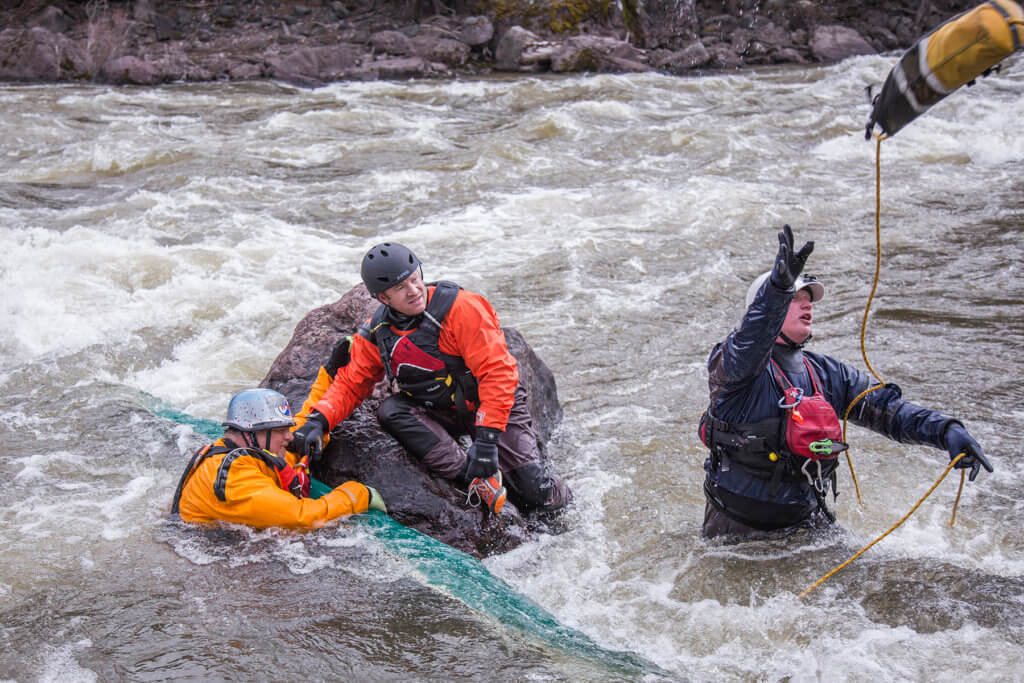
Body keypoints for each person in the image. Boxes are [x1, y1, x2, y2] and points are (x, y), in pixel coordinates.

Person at [698, 225, 993, 539]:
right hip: (737, 534)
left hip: (807, 525)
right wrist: (777, 291)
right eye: (797, 297)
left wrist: (945, 430)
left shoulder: (825, 373)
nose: (807, 304)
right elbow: (749, 343)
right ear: (764, 307)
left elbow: (888, 410)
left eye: (808, 299)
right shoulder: (731, 367)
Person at [290, 241, 572, 515]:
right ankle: (473, 477)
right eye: (400, 288)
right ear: (383, 298)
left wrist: (486, 442)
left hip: (492, 405)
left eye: (415, 279)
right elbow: (353, 383)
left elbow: (497, 374)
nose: (414, 291)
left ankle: (563, 496)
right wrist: (319, 420)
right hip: (438, 409)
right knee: (391, 410)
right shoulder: (379, 331)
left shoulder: (463, 309)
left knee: (535, 495)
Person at [171, 388, 387, 529]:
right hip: (208, 557)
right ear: (251, 433)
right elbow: (302, 517)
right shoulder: (235, 479)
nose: (289, 436)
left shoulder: (244, 453)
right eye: (281, 431)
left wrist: (329, 374)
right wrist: (358, 494)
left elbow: (296, 439)